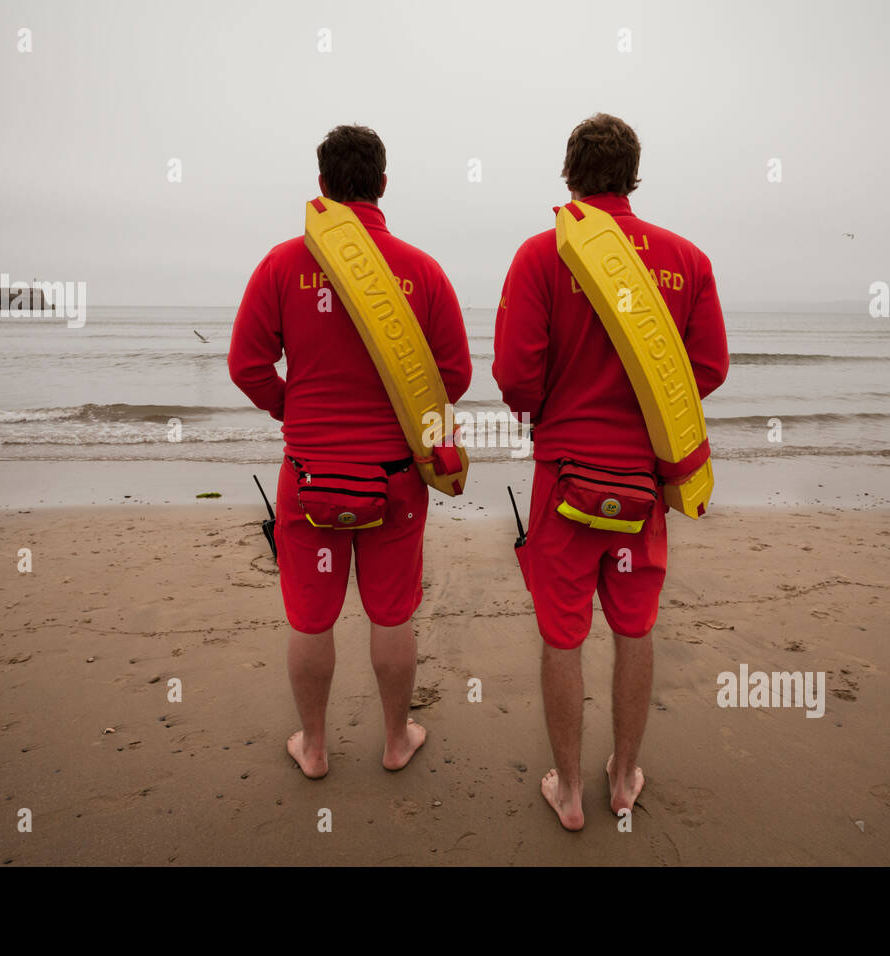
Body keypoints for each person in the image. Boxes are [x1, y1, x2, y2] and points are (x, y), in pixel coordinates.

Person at [493, 113, 729, 829]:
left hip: (563, 480)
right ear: (633, 177)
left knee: (563, 636)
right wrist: (649, 411)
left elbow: (514, 379)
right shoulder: (686, 260)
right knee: (634, 628)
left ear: (569, 176)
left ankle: (568, 792)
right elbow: (708, 370)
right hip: (640, 485)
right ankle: (623, 777)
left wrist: (553, 403)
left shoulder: (541, 255)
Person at [229, 124, 471, 778]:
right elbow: (454, 376)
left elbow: (246, 366)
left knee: (311, 620)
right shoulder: (421, 271)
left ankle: (313, 748)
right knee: (391, 615)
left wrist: (291, 407)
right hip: (393, 480)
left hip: (310, 478)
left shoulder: (282, 265)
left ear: (323, 187)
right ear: (383, 185)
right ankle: (396, 742)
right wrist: (402, 407)